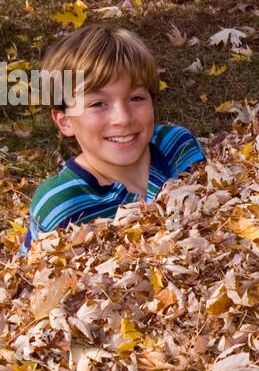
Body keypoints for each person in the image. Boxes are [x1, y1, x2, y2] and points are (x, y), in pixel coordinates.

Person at [20, 25, 205, 255]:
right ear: (64, 121)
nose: (123, 118)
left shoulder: (179, 148)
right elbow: (32, 281)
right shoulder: (62, 204)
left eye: (136, 98)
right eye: (98, 104)